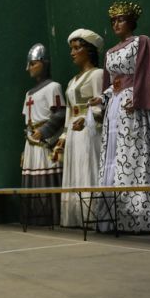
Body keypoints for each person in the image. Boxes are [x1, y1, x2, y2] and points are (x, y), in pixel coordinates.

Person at [95, 1, 150, 233]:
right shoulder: (110, 52)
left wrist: (137, 98)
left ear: (132, 21)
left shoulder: (141, 42)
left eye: (121, 19)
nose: (116, 24)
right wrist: (102, 98)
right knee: (115, 154)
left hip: (133, 105)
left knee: (135, 152)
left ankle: (141, 214)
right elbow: (112, 83)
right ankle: (117, 212)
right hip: (114, 107)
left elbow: (146, 74)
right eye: (113, 21)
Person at [54, 29, 106, 228]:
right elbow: (69, 110)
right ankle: (76, 216)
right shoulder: (72, 81)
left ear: (89, 51)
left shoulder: (98, 74)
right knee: (75, 169)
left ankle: (92, 215)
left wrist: (86, 118)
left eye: (77, 48)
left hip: (90, 131)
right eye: (71, 49)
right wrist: (64, 136)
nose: (72, 53)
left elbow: (101, 104)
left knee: (87, 168)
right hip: (74, 133)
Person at [20, 43, 65, 225]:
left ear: (44, 63)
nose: (28, 68)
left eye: (32, 64)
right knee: (32, 178)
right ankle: (33, 217)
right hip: (31, 143)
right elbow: (27, 119)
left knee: (47, 177)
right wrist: (30, 134)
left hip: (45, 142)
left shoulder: (53, 87)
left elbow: (60, 113)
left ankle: (51, 217)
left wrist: (44, 131)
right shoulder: (28, 94)